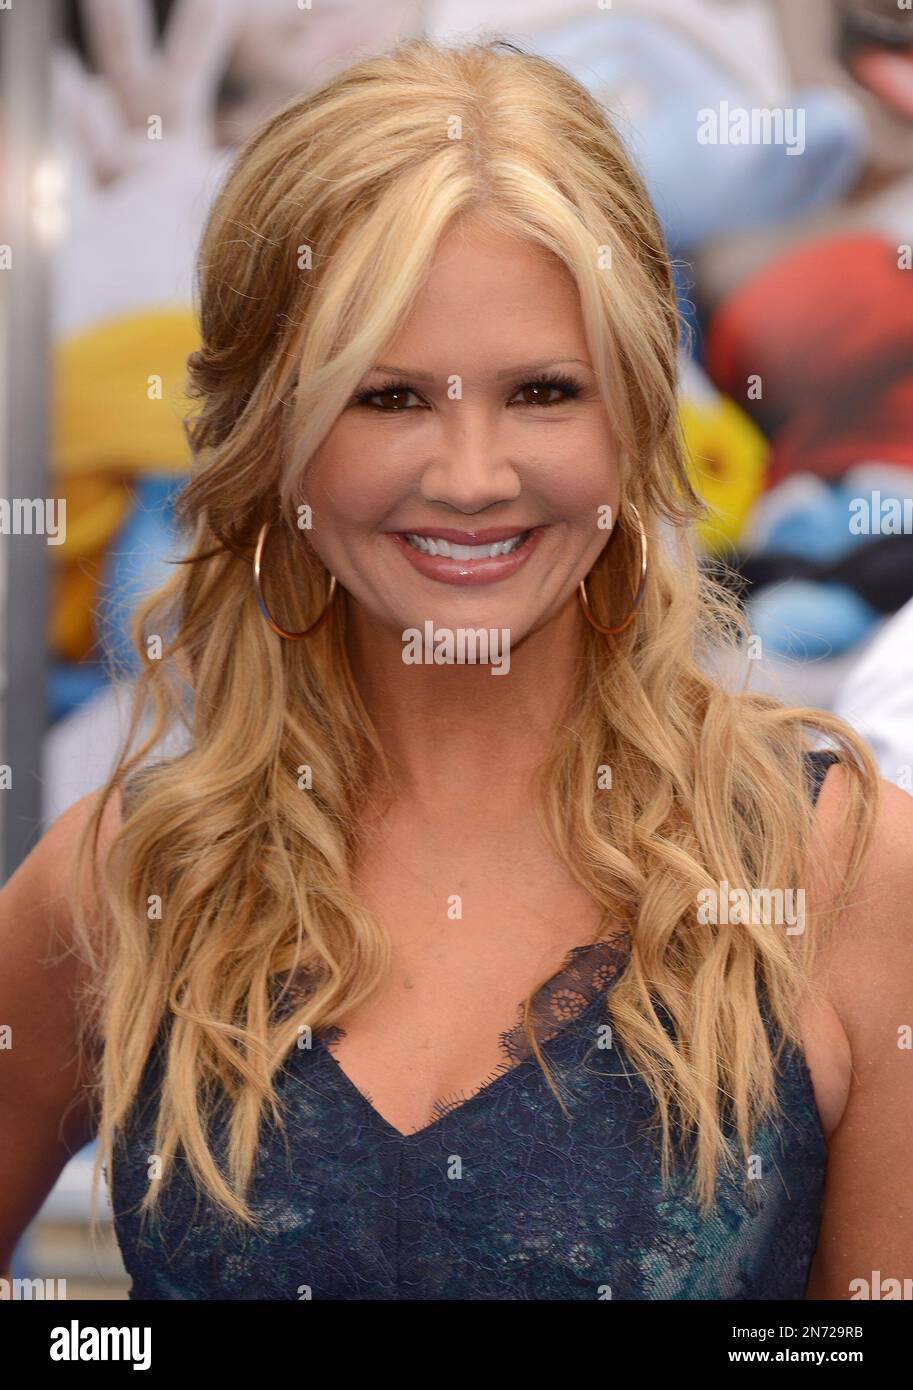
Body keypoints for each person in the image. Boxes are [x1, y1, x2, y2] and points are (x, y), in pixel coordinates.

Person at [2, 36, 912, 1302]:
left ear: (640, 418)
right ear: (274, 436)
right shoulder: (128, 880)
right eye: (387, 399)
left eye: (542, 391)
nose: (473, 475)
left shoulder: (848, 874)